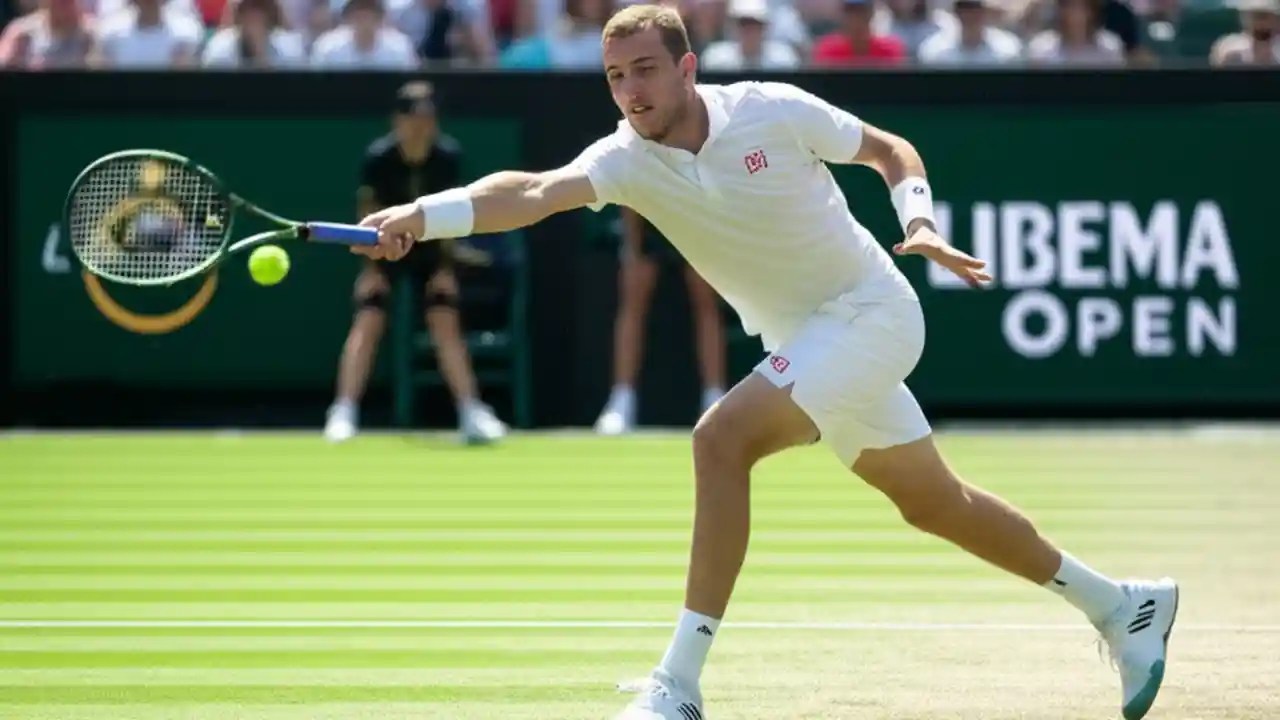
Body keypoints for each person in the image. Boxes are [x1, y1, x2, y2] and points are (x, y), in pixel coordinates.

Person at [352, 6, 1179, 720]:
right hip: (808, 340)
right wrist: (425, 216)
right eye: (615, 77)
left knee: (720, 441)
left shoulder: (770, 109)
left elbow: (889, 149)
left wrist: (918, 220)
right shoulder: (624, 157)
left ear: (687, 67)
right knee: (937, 504)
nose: (631, 91)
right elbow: (531, 192)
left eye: (645, 70)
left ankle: (677, 685)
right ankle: (1124, 607)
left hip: (872, 314)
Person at [324, 81, 509, 445]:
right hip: (384, 250)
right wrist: (372, 270)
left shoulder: (448, 156)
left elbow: (453, 219)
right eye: (413, 117)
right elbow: (367, 214)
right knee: (369, 315)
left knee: (444, 318)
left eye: (428, 118)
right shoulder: (378, 158)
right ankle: (343, 411)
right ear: (397, 120)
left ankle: (472, 412)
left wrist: (444, 269)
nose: (421, 125)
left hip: (432, 252)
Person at [594, 207, 727, 435]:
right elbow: (631, 180)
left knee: (706, 303)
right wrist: (632, 246)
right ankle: (621, 403)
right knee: (633, 300)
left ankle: (715, 400)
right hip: (649, 212)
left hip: (694, 211)